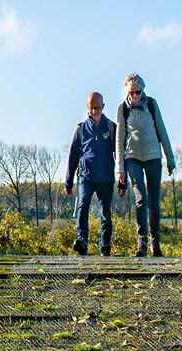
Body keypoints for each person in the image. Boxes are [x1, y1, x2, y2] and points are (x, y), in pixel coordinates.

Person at [116, 73, 175, 257]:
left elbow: (162, 130)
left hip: (153, 157)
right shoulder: (123, 109)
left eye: (138, 92)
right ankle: (141, 243)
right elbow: (119, 138)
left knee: (154, 201)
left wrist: (170, 158)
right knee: (141, 198)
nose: (135, 96)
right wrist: (120, 169)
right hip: (132, 157)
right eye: (131, 93)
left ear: (143, 90)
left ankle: (155, 244)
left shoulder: (151, 105)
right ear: (127, 92)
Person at [65, 91, 125, 256]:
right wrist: (68, 182)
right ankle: (82, 241)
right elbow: (73, 156)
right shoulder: (81, 129)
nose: (94, 112)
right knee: (82, 207)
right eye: (92, 108)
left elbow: (119, 155)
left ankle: (105, 248)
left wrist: (122, 181)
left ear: (103, 107)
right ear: (87, 108)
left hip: (105, 177)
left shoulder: (111, 128)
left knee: (106, 214)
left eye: (98, 108)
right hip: (86, 176)